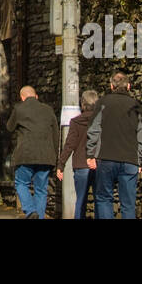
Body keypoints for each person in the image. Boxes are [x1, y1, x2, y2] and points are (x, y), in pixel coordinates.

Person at [86, 71, 142, 219]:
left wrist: (90, 154)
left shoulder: (103, 103)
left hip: (106, 158)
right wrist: (139, 158)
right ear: (129, 86)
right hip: (130, 159)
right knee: (128, 204)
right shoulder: (136, 106)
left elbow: (94, 129)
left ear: (111, 86)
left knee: (104, 199)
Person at [6, 85, 62, 219]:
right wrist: (55, 157)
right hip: (46, 156)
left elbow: (9, 127)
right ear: (36, 96)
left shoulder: (19, 109)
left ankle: (30, 210)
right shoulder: (48, 110)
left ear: (22, 97)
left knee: (21, 183)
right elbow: (55, 134)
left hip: (26, 155)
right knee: (41, 190)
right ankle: (39, 216)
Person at [57, 89, 100, 219]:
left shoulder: (76, 122)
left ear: (83, 104)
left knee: (81, 200)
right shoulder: (102, 121)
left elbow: (69, 145)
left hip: (81, 165)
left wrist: (61, 165)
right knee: (100, 200)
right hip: (99, 163)